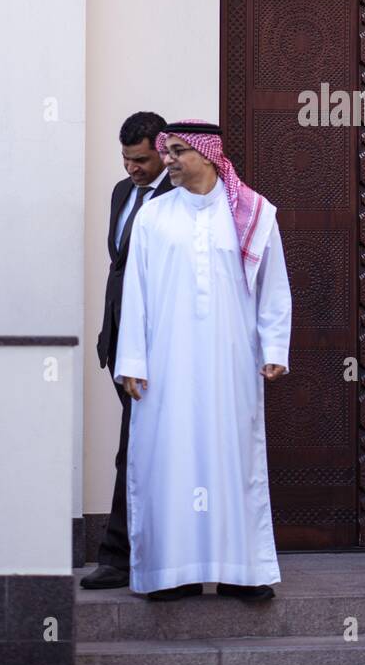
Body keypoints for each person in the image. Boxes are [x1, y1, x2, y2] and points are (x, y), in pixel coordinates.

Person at [114, 121, 292, 602]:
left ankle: (242, 572)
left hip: (232, 362)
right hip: (165, 364)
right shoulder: (153, 218)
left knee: (232, 458)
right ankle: (174, 573)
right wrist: (132, 359)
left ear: (209, 155)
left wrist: (275, 348)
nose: (167, 160)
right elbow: (136, 294)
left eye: (176, 152)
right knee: (167, 459)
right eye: (165, 152)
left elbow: (273, 289)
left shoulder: (254, 213)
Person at [81, 111, 172, 590]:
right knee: (134, 448)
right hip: (119, 343)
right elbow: (119, 269)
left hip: (159, 349)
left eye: (141, 159)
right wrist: (109, 336)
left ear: (163, 151)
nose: (132, 168)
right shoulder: (121, 192)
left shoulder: (180, 198)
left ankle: (122, 556)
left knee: (136, 450)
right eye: (126, 159)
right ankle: (129, 554)